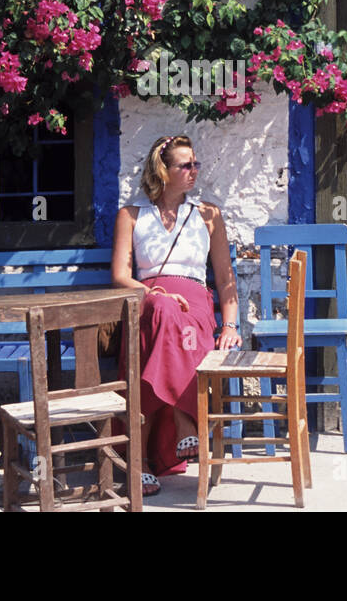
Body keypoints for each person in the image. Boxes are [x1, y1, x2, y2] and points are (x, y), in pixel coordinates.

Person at [111, 134, 241, 496]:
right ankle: (185, 418)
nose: (194, 171)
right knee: (164, 311)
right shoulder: (131, 215)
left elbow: (225, 277)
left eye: (195, 164)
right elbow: (121, 275)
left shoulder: (208, 214)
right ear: (163, 171)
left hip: (196, 307)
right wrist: (153, 293)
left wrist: (230, 323)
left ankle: (140, 462)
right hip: (149, 300)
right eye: (185, 165)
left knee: (163, 335)